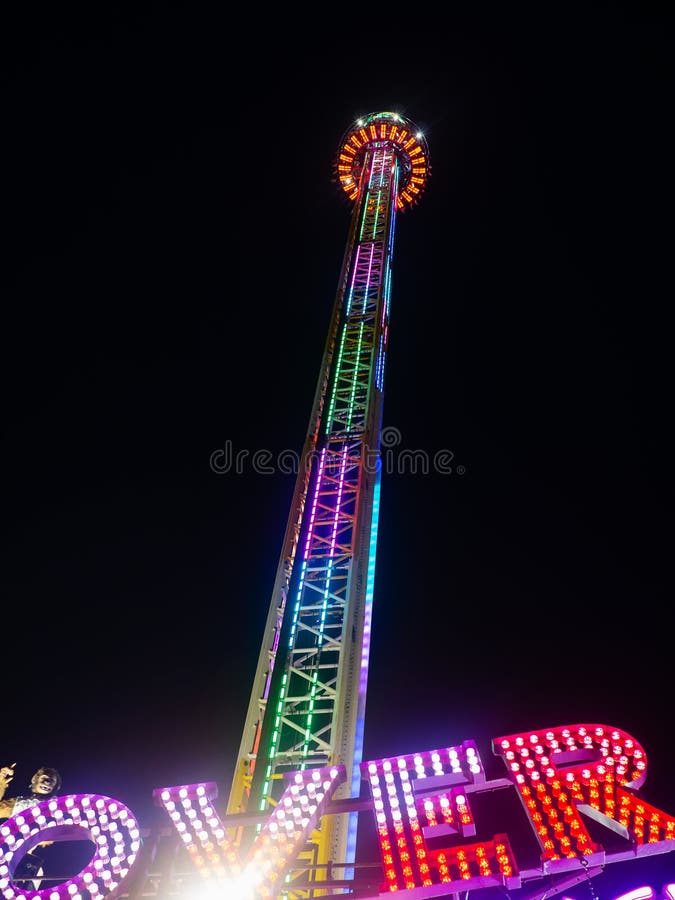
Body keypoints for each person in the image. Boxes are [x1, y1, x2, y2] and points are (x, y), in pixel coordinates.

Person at [0, 763, 63, 890]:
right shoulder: (19, 803)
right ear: (34, 779)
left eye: (52, 781)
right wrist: (1, 782)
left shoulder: (58, 806)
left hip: (31, 862)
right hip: (7, 855)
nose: (47, 782)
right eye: (44, 778)